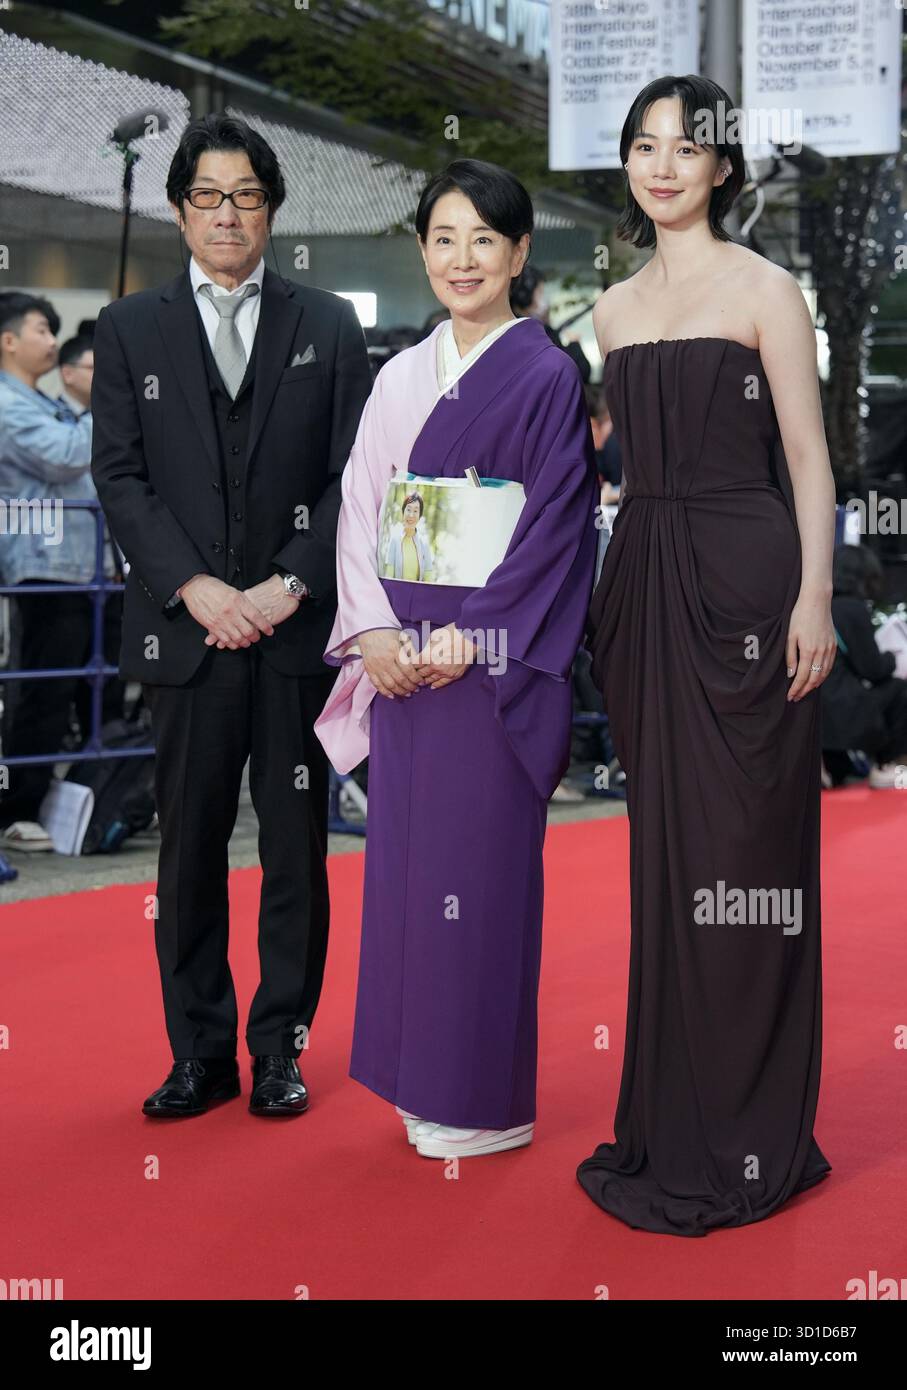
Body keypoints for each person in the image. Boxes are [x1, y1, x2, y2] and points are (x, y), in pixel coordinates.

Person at [577, 75, 836, 1234]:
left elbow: (807, 455)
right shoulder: (612, 308)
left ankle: (753, 1129)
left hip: (749, 579)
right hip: (645, 580)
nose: (664, 164)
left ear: (723, 167)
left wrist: (816, 596)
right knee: (668, 864)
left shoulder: (767, 289)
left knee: (750, 855)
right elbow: (620, 473)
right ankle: (676, 1122)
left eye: (687, 147)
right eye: (643, 146)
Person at [314, 158, 598, 1159]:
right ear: (422, 251)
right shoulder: (400, 374)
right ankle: (411, 1075)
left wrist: (464, 637)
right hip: (401, 664)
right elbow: (359, 509)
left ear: (520, 254)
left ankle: (479, 1094)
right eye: (443, 237)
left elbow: (555, 530)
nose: (462, 258)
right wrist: (377, 632)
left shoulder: (547, 375)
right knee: (402, 878)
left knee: (475, 878)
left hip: (486, 672)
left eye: (485, 238)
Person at [90, 113, 371, 1118]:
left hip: (294, 635)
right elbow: (120, 479)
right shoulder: (129, 329)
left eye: (246, 195)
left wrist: (290, 582)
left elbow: (352, 481)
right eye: (207, 195)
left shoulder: (329, 325)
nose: (227, 214)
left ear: (271, 209)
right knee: (189, 850)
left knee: (296, 847)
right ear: (177, 210)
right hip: (187, 640)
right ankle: (198, 1054)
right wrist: (194, 587)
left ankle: (280, 1049)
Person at [0, 294, 121, 853]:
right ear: (9, 341)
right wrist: (110, 403)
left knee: (83, 687)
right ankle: (16, 810)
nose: (52, 339)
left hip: (79, 569)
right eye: (42, 330)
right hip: (44, 571)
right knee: (42, 692)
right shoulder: (8, 404)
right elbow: (68, 457)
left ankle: (68, 802)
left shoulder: (41, 402)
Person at [822, 544, 907, 788]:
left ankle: (828, 768)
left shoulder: (822, 608)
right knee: (899, 690)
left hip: (817, 708)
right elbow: (873, 669)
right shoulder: (852, 609)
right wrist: (892, 658)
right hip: (843, 708)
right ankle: (887, 765)